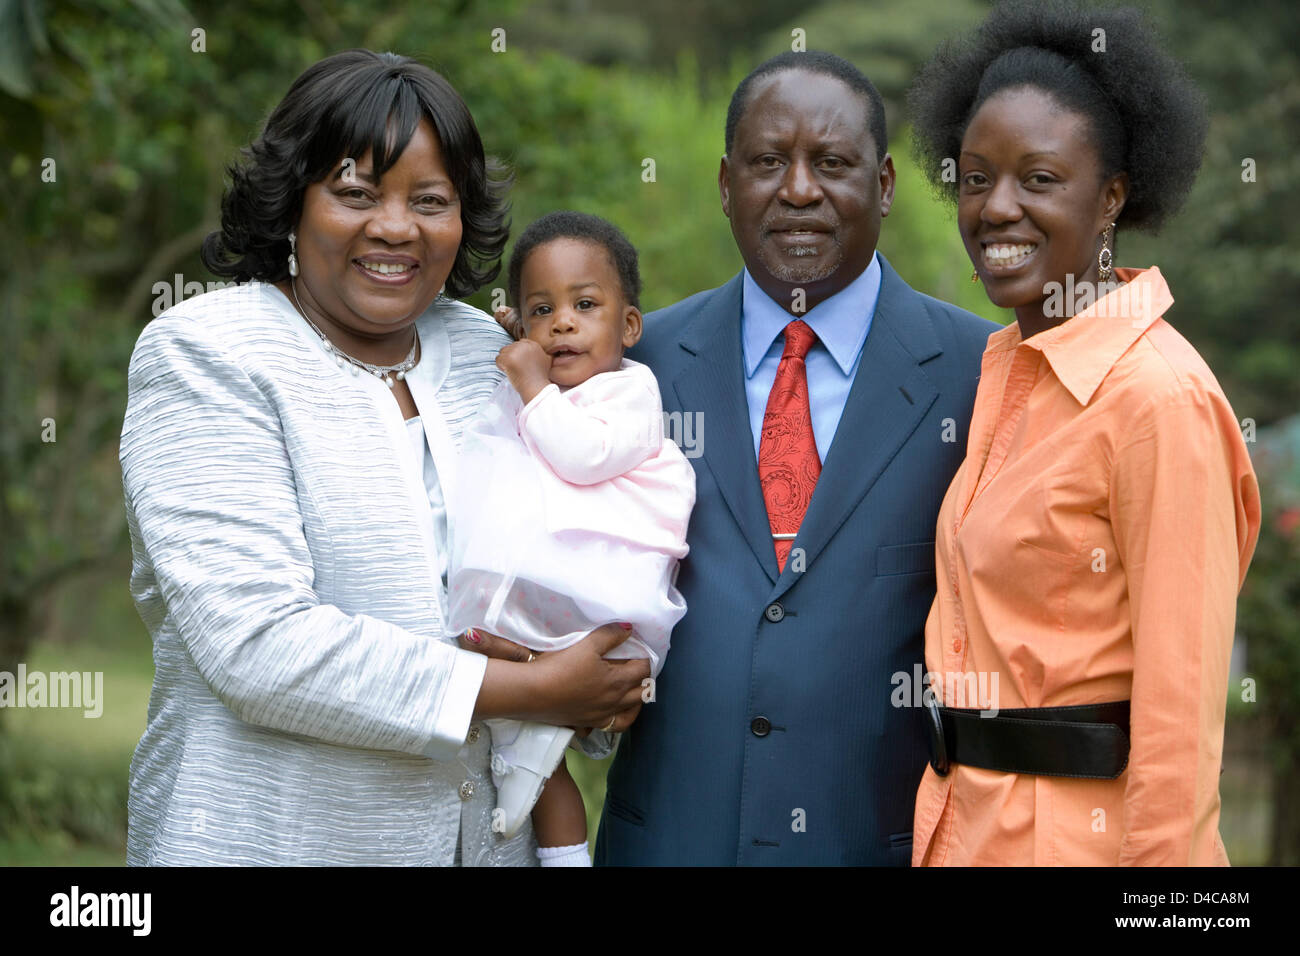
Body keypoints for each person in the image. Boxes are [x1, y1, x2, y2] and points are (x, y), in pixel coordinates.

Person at [118, 49, 648, 867]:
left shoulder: (493, 356)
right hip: (270, 841)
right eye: (355, 192)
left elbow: (583, 530)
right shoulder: (208, 355)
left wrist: (595, 686)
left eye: (430, 201)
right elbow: (260, 647)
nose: (396, 227)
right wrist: (528, 689)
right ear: (292, 200)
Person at [592, 51, 1000, 865]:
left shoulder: (981, 373)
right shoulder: (637, 365)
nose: (800, 189)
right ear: (724, 183)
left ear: (883, 185)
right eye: (769, 162)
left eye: (833, 163)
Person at [905, 0, 1261, 865]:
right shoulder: (1003, 369)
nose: (996, 208)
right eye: (977, 175)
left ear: (1111, 197)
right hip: (959, 832)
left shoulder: (1159, 401)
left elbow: (1179, 733)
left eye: (1038, 179)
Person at [445, 211, 695, 866]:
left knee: (538, 738)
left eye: (585, 305)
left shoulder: (627, 392)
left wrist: (530, 381)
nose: (562, 323)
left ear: (629, 326)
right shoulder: (539, 392)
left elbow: (582, 457)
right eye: (541, 309)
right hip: (536, 612)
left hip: (602, 606)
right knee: (525, 744)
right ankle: (562, 855)